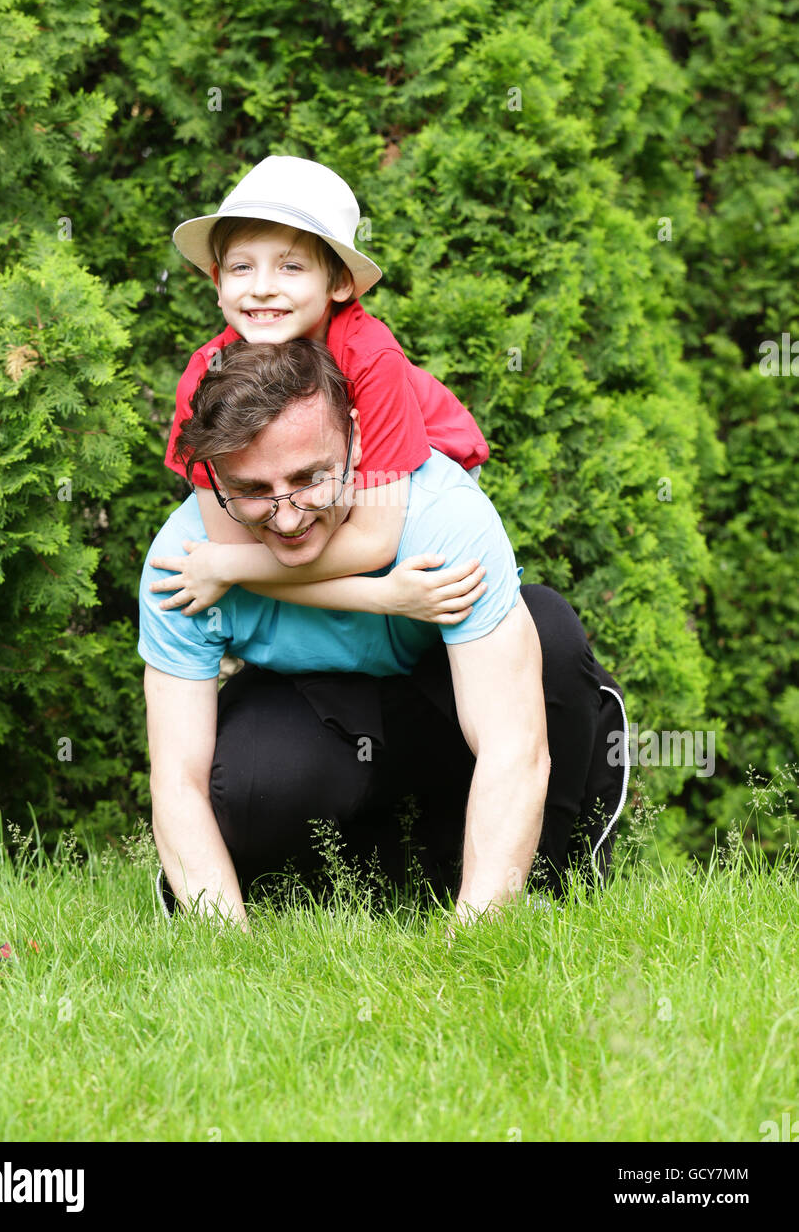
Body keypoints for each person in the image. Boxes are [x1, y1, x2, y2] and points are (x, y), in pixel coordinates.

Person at [139, 339, 630, 937]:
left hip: (439, 699)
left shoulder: (442, 518)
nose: (288, 519)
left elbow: (513, 748)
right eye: (252, 490)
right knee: (250, 785)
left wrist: (473, 948)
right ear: (211, 475)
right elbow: (177, 780)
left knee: (546, 635)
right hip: (315, 712)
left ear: (356, 437)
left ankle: (534, 890)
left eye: (310, 479)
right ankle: (345, 890)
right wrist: (225, 947)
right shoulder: (184, 563)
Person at [157, 154, 492, 618]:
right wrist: (381, 599)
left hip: (429, 465)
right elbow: (234, 545)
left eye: (290, 267)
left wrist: (227, 567)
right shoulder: (205, 376)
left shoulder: (372, 359)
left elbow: (372, 543)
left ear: (337, 282)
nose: (261, 288)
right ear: (217, 282)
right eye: (241, 268)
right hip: (324, 480)